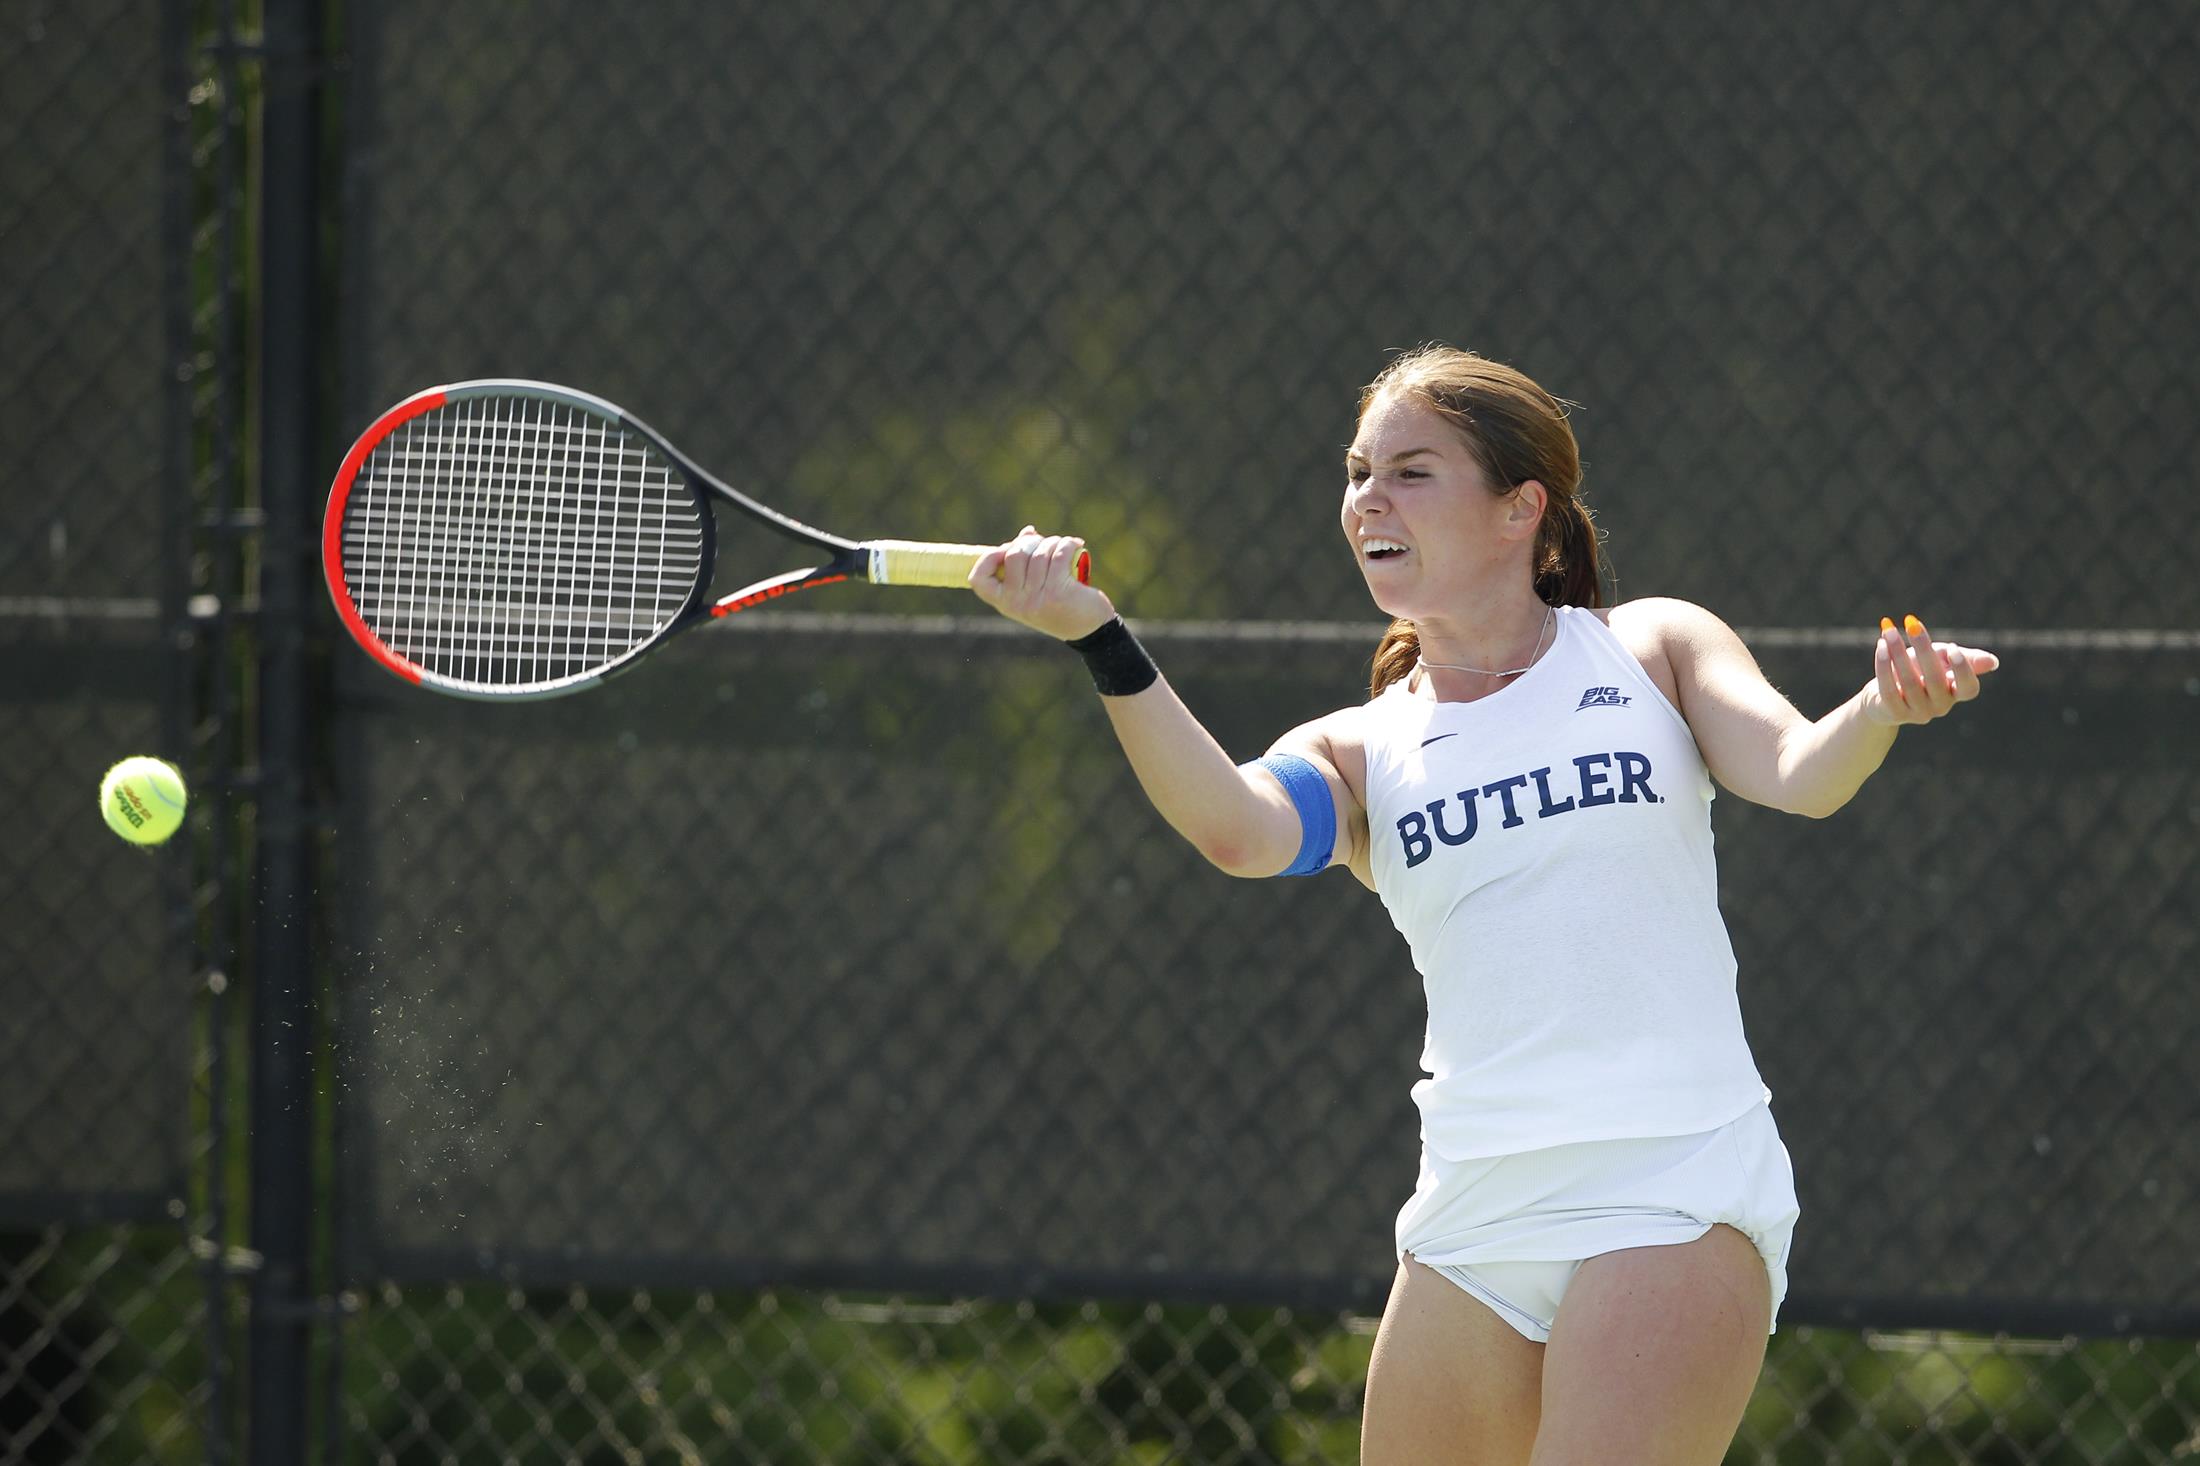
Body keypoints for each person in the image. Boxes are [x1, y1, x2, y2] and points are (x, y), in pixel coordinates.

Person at [967, 344, 1999, 1466]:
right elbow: (1238, 828)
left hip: (1671, 1185)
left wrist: (1882, 709)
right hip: (1471, 1220)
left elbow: (1801, 770)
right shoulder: (1363, 746)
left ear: (1522, 509)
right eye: (1359, 471)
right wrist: (1097, 636)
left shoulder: (1650, 648)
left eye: (1411, 470)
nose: (1369, 496)